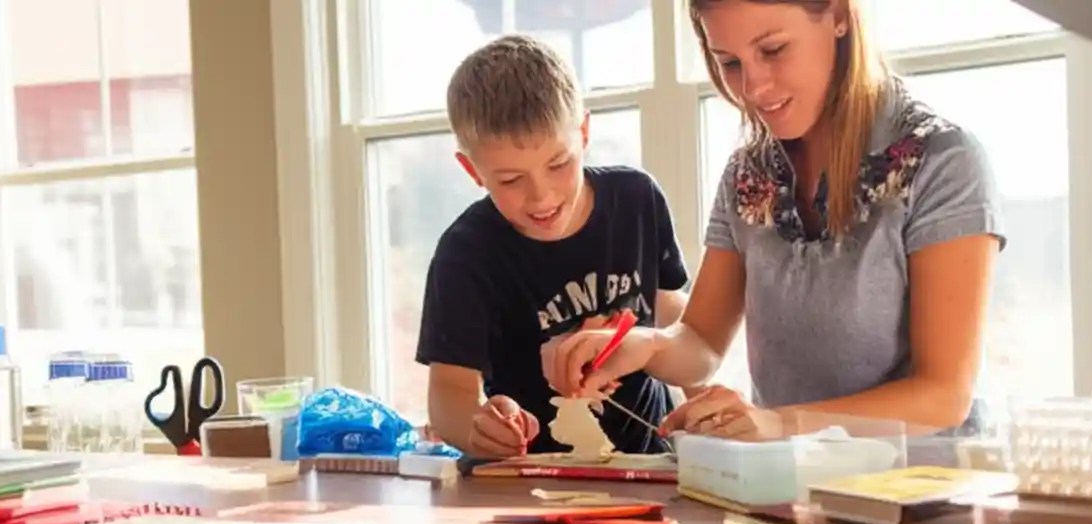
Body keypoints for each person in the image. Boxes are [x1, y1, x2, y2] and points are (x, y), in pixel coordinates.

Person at [542, 0, 1004, 440]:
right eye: (730, 63)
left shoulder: (944, 162)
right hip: (792, 492)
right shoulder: (749, 175)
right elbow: (701, 340)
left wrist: (780, 426)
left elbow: (944, 395)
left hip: (927, 498)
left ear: (838, 15)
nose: (753, 88)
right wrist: (646, 346)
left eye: (773, 50)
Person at [416, 34, 690, 459]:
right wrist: (478, 429)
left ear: (583, 132)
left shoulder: (638, 199)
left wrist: (703, 407)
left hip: (651, 460)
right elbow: (449, 392)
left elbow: (673, 312)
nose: (541, 197)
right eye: (510, 180)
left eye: (559, 164)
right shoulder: (465, 253)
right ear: (473, 170)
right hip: (534, 477)